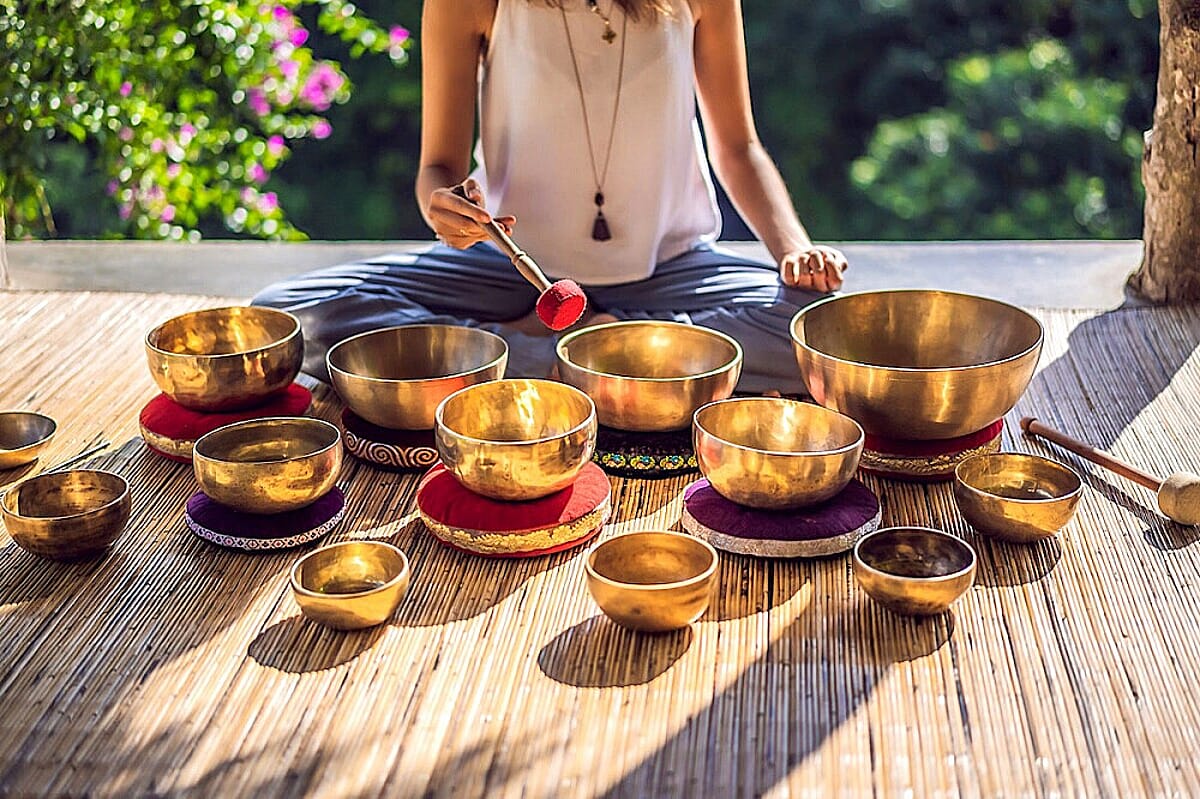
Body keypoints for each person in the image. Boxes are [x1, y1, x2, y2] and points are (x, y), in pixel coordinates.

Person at [253, 0, 848, 393]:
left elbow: (739, 147)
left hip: (670, 270)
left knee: (824, 330)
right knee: (286, 311)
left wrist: (793, 248)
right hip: (512, 270)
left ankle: (528, 355)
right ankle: (631, 359)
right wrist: (444, 208)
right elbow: (439, 166)